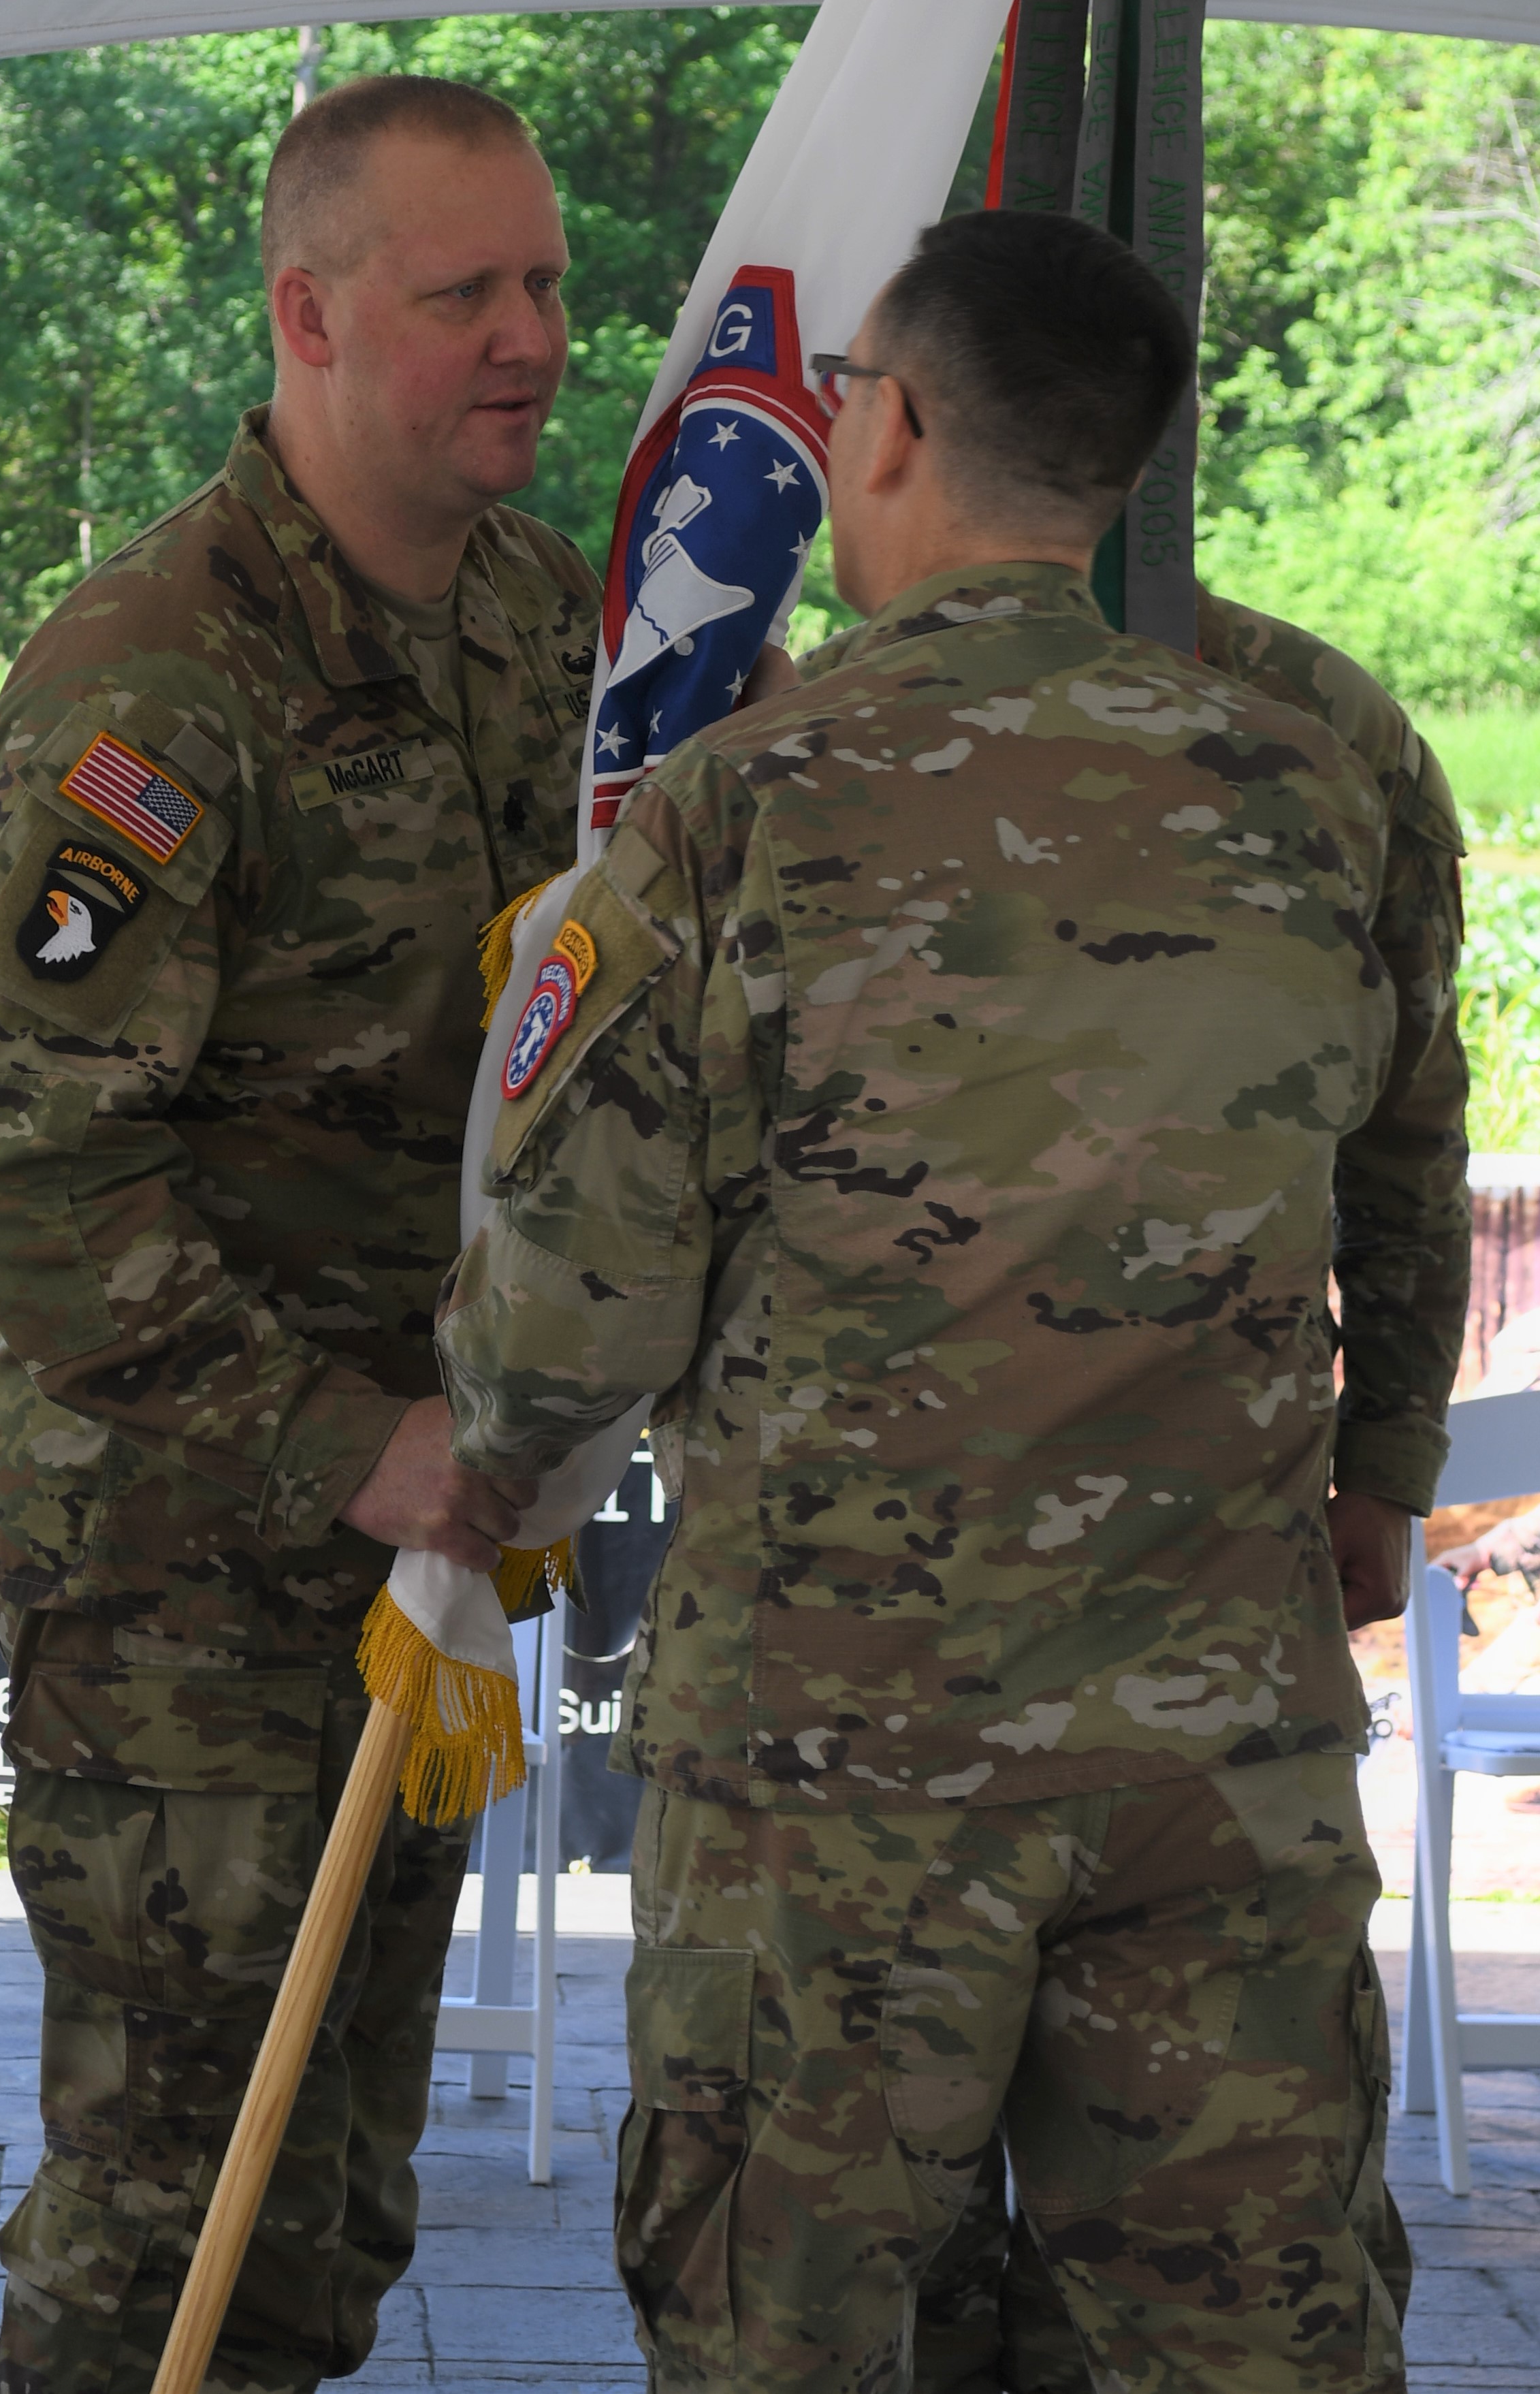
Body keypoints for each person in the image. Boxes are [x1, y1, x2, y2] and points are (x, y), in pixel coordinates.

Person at [436, 206, 1421, 2393]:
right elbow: (1406, 1174)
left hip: (831, 1768)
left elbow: (584, 1297)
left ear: (882, 430)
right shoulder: (1313, 777)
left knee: (788, 2333)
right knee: (1235, 2346)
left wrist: (481, 1466)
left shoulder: (737, 808)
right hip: (1216, 1758)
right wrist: (1388, 1473)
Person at [0, 73, 594, 2394]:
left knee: (322, 2216)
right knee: (168, 2226)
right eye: (467, 293)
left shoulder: (546, 620)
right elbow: (44, 1177)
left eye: (544, 280)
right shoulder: (154, 680)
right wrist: (347, 1436)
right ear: (311, 313)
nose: (533, 334)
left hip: (424, 1539)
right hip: (193, 1565)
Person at [905, 579, 1471, 2390]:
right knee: (876, 2293)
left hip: (1175, 1683)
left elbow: (1406, 1127)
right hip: (884, 1679)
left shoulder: (1329, 733)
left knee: (1210, 2286)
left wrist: (1386, 1453)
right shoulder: (802, 736)